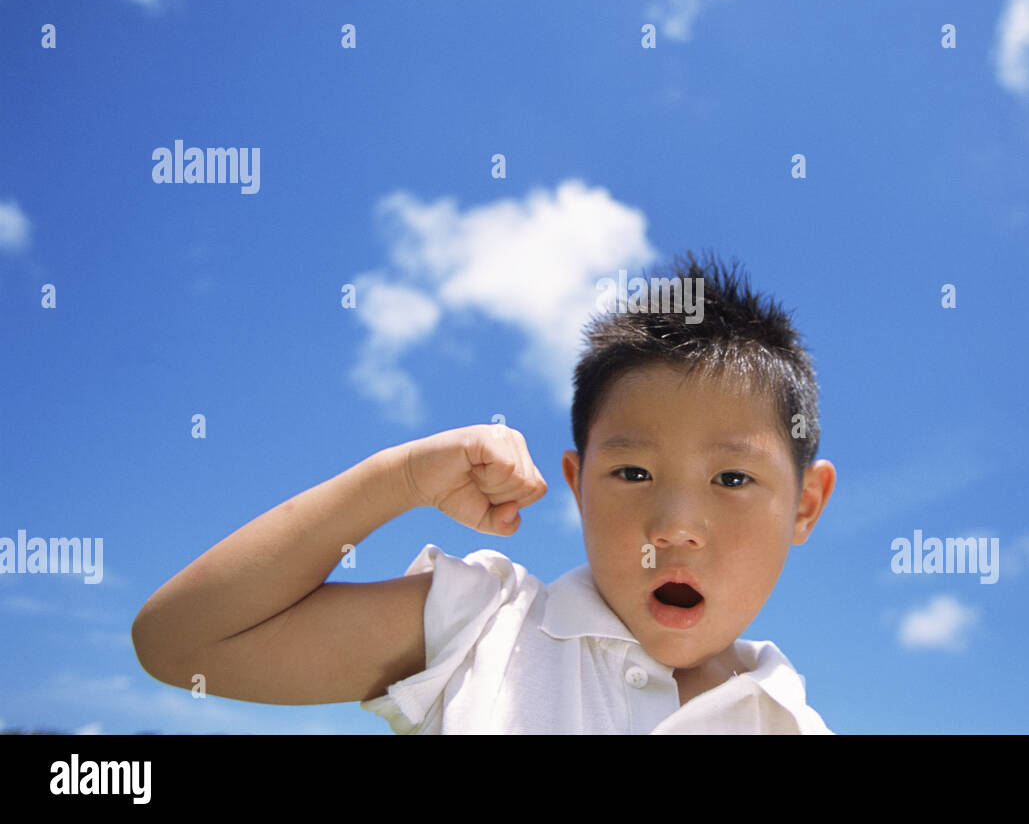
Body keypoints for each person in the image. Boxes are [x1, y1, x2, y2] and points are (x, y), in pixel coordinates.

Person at [131, 250, 837, 733]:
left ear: (805, 504)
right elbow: (183, 641)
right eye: (633, 473)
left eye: (733, 479)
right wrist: (398, 478)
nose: (675, 527)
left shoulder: (796, 724)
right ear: (578, 485)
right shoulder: (481, 629)